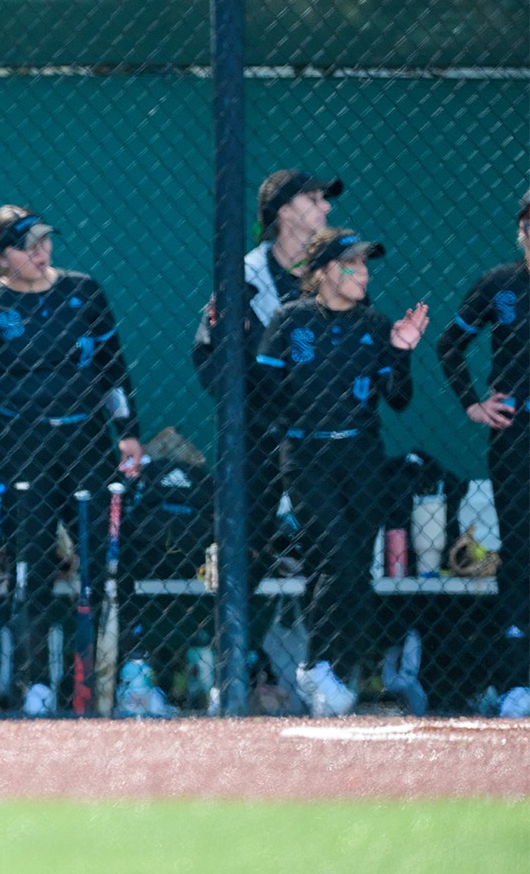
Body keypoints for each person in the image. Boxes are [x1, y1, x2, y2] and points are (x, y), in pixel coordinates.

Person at [0, 205, 143, 711]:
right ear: (1, 258)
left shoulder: (84, 292)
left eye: (44, 240)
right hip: (19, 448)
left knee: (108, 562)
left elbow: (113, 369)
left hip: (86, 443)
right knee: (31, 567)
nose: (41, 251)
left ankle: (128, 680)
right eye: (26, 244)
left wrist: (127, 433)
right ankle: (35, 684)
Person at [255, 228, 428, 716]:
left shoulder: (375, 326)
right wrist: (298, 411)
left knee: (353, 567)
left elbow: (398, 399)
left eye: (367, 265)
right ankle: (317, 666)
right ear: (326, 270)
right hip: (307, 457)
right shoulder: (290, 321)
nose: (364, 273)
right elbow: (263, 390)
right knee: (335, 558)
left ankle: (335, 667)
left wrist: (401, 350)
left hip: (361, 456)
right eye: (354, 264)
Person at [192, 170, 343, 581]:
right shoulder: (245, 276)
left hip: (324, 435)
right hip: (259, 439)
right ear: (284, 211)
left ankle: (327, 648)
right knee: (244, 553)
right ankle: (237, 646)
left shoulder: (337, 272)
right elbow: (208, 356)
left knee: (333, 556)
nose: (326, 206)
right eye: (314, 199)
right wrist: (256, 413)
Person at [436, 189, 529, 717]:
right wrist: (473, 403)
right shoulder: (500, 284)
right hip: (515, 431)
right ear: (521, 229)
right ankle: (517, 681)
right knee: (520, 548)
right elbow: (449, 343)